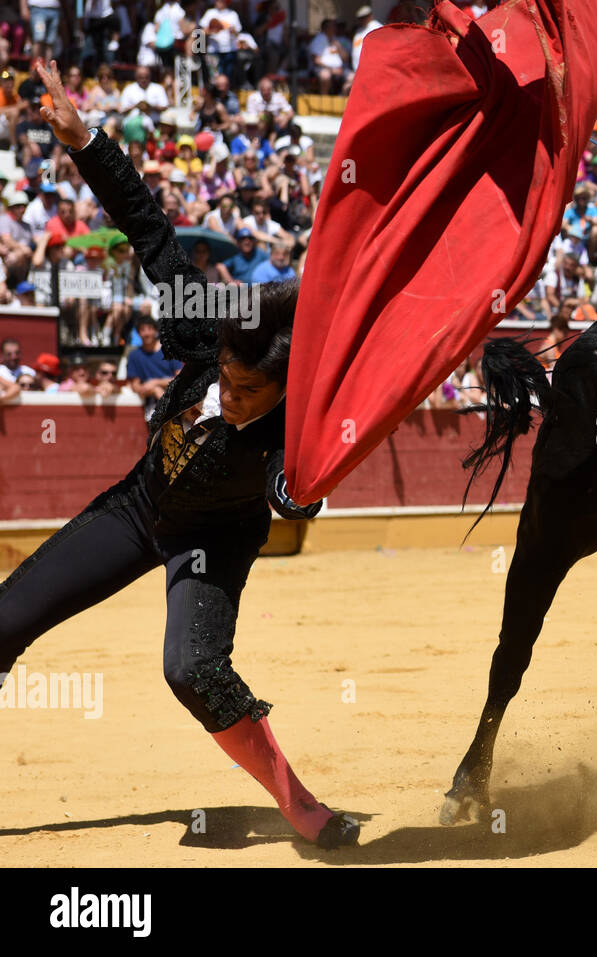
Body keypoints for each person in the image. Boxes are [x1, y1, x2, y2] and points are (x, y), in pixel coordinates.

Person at [0, 60, 360, 851]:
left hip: (212, 538)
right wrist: (85, 141)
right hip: (137, 506)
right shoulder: (207, 331)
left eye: (244, 392)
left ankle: (297, 802)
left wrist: (298, 495)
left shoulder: (291, 430)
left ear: (283, 391)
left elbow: (296, 491)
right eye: (225, 379)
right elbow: (149, 226)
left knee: (189, 666)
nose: (228, 394)